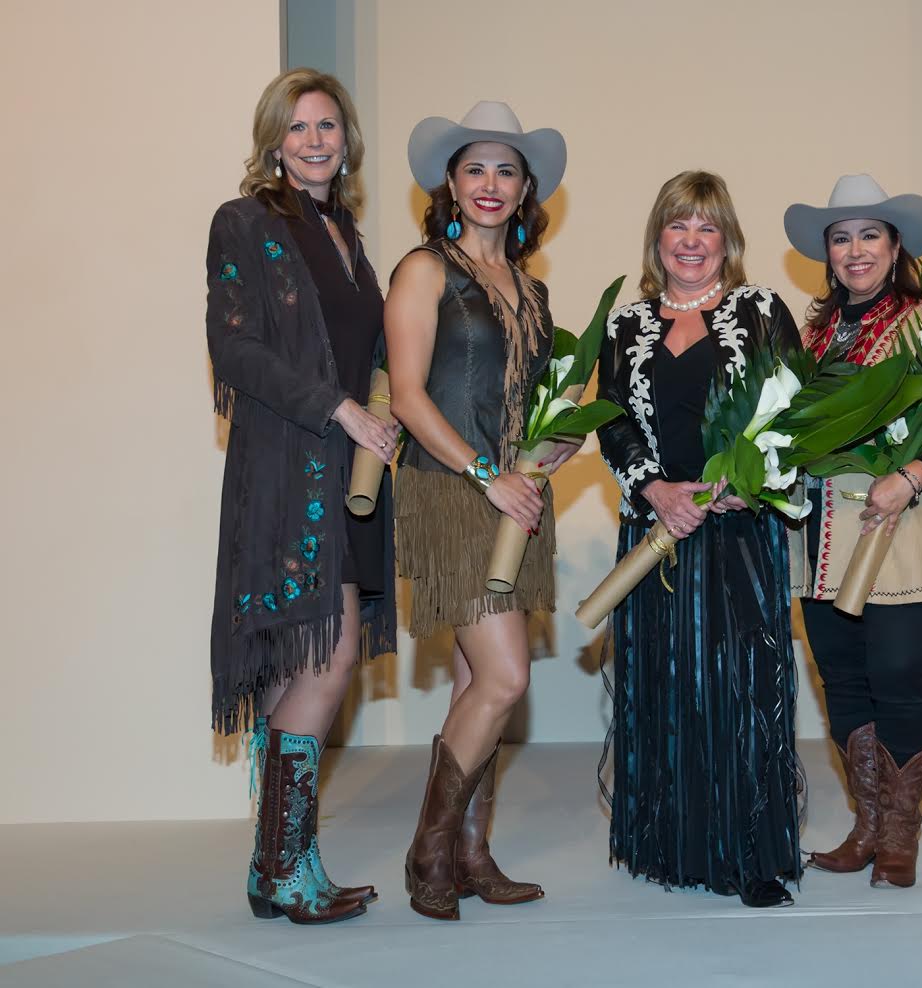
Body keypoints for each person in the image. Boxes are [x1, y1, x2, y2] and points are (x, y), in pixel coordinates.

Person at [206, 68, 397, 924]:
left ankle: (277, 866)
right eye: (297, 127)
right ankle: (284, 865)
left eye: (327, 125)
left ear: (346, 140)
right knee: (326, 658)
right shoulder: (245, 222)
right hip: (290, 475)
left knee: (308, 667)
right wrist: (338, 407)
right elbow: (234, 350)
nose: (314, 140)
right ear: (273, 142)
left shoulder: (348, 237)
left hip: (350, 477)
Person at [386, 101, 576, 921]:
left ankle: (470, 852)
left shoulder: (532, 288)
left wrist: (556, 444)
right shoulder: (424, 270)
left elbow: (529, 401)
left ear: (526, 188)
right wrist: (486, 473)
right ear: (451, 185)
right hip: (452, 489)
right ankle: (428, 852)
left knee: (476, 682)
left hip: (515, 500)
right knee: (505, 677)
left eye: (506, 170)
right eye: (475, 170)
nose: (490, 184)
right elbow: (406, 395)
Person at [597, 171, 803, 908]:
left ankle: (751, 855)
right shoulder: (626, 325)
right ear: (658, 237)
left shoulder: (761, 310)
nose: (691, 240)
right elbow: (612, 422)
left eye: (706, 226)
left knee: (741, 686)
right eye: (678, 225)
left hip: (737, 526)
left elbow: (795, 414)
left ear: (728, 240)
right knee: (666, 686)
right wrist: (655, 489)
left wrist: (751, 481)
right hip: (657, 528)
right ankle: (670, 845)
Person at [782, 175, 922, 889]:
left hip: (903, 521)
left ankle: (900, 834)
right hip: (823, 530)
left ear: (896, 247)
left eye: (870, 235)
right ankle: (866, 825)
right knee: (841, 675)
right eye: (841, 238)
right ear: (827, 253)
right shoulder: (810, 335)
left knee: (898, 672)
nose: (855, 249)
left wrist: (911, 477)